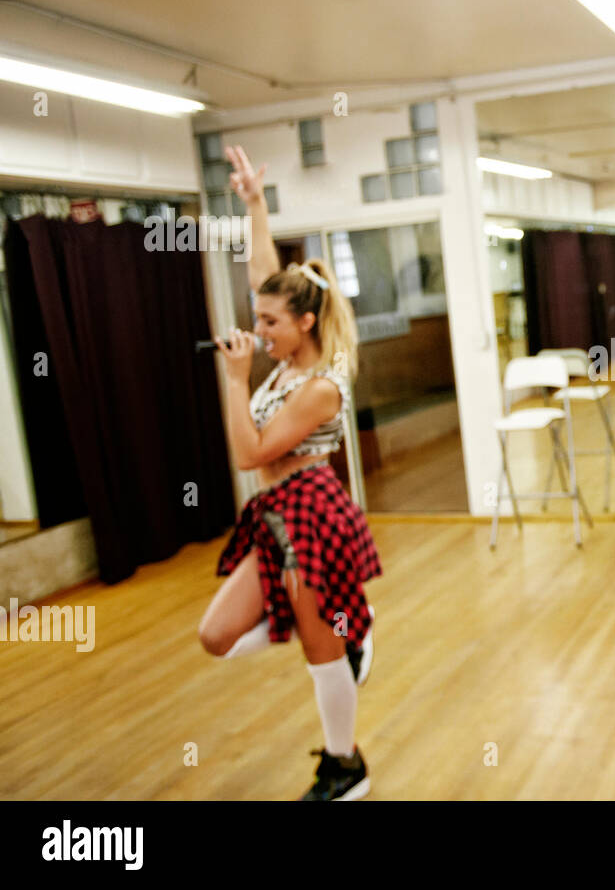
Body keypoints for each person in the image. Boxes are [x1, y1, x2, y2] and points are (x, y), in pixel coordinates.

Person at [196, 144, 382, 801]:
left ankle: (344, 764)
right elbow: (265, 276)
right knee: (215, 635)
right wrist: (253, 203)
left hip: (312, 513)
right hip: (274, 513)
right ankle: (343, 636)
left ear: (304, 324)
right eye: (257, 319)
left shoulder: (320, 387)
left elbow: (249, 454)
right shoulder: (288, 354)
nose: (258, 329)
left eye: (270, 323)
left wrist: (236, 378)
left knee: (317, 652)